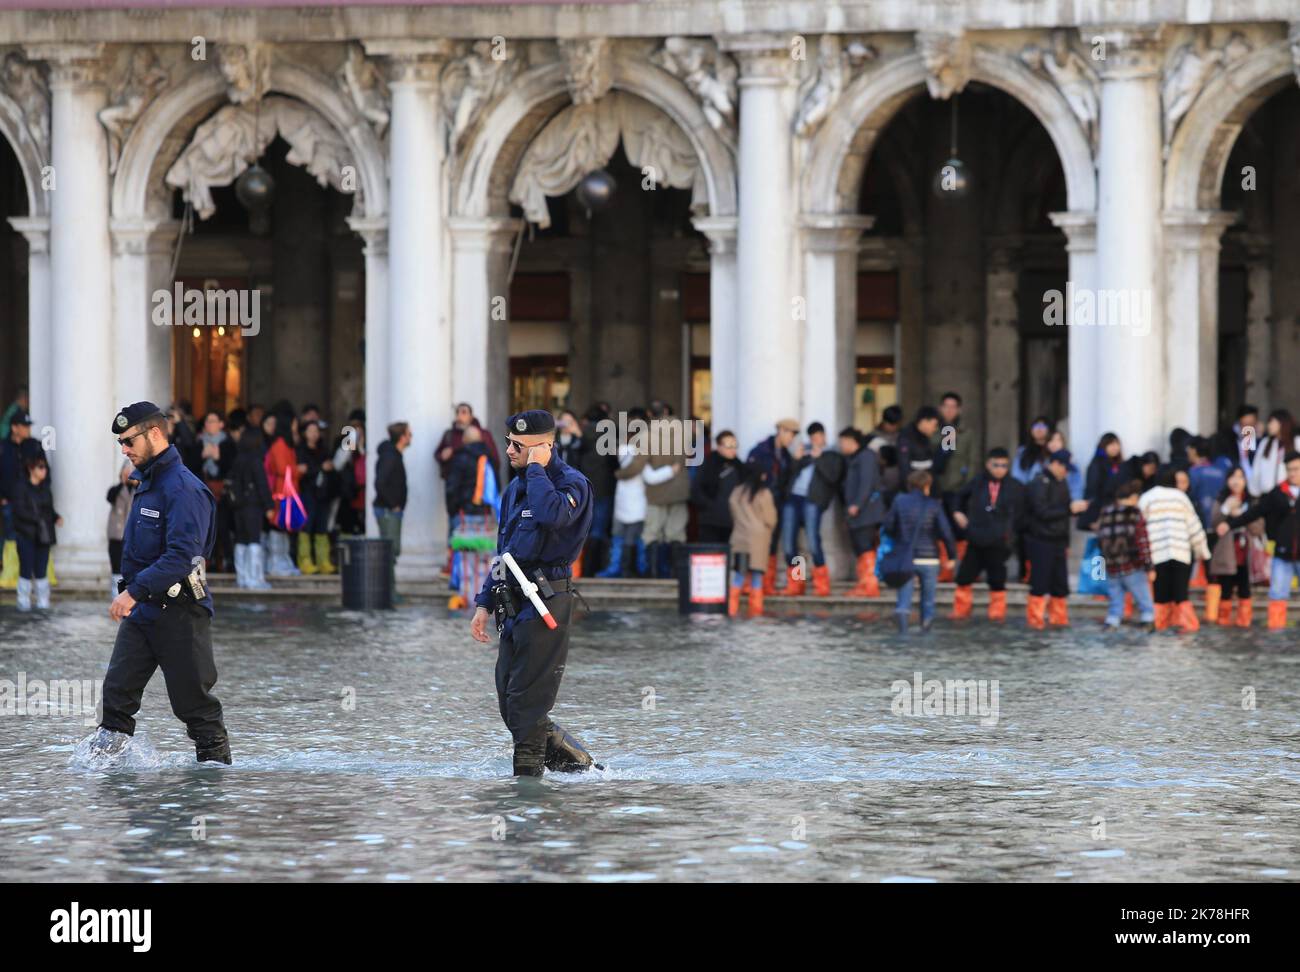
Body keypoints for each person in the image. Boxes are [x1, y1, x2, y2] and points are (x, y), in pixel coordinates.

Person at [92, 402, 229, 764]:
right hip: (143, 613)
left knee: (195, 708)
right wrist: (133, 593)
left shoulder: (184, 489)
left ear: (155, 434)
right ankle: (104, 781)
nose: (124, 449)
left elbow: (182, 557)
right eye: (120, 443)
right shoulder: (146, 483)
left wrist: (132, 593)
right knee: (116, 698)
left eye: (129, 440)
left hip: (181, 614)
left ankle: (213, 788)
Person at [468, 409, 599, 777]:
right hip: (513, 603)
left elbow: (552, 515)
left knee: (528, 705)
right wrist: (483, 603)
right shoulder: (515, 488)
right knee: (510, 702)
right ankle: (581, 769)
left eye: (518, 445)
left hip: (547, 601)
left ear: (544, 447)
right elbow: (504, 552)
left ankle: (527, 792)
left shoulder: (572, 484)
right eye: (509, 442)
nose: (508, 450)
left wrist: (538, 469)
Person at [1220, 451, 1300, 630]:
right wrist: (1231, 524)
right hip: (1282, 553)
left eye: (1296, 469)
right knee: (1277, 594)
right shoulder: (1278, 493)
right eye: (1289, 470)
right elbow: (1255, 512)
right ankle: (1276, 631)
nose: (1293, 473)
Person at [951, 447, 1024, 622]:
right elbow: (957, 497)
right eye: (996, 465)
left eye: (1004, 465)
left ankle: (997, 615)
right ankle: (961, 612)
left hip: (999, 541)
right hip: (976, 538)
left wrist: (1011, 534)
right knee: (964, 577)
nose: (1000, 469)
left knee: (998, 580)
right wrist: (957, 513)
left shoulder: (1015, 486)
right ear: (988, 465)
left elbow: (1022, 514)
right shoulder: (977, 482)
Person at [1139, 466, 1212, 632]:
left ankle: (1160, 625)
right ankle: (1186, 626)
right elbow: (1194, 526)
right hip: (1181, 553)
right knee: (1181, 594)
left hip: (1157, 554)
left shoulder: (1147, 498)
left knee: (1160, 595)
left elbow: (1139, 528)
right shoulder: (1181, 498)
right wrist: (1203, 552)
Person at [881, 469, 955, 633]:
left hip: (906, 559)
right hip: (930, 560)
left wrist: (899, 538)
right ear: (927, 486)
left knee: (903, 602)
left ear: (910, 485)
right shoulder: (934, 504)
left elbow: (888, 525)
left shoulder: (899, 501)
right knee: (928, 601)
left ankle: (903, 634)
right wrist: (952, 556)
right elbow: (946, 532)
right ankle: (926, 632)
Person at [1023, 448, 1090, 629]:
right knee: (1039, 583)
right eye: (1062, 466)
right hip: (1041, 540)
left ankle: (1058, 620)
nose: (1065, 471)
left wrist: (1066, 542)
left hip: (1059, 541)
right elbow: (1042, 512)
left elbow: (1064, 518)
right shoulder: (1039, 483)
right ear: (1053, 464)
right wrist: (1069, 509)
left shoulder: (1062, 483)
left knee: (1060, 585)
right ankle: (1035, 620)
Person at [781, 422, 842, 596]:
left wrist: (819, 458)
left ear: (824, 437)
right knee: (789, 544)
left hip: (813, 501)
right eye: (812, 438)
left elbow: (832, 477)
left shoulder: (832, 455)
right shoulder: (805, 453)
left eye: (817, 437)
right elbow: (789, 475)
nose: (814, 441)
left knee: (813, 542)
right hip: (793, 499)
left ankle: (822, 585)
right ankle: (796, 582)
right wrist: (797, 459)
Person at [747, 418, 799, 594]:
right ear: (781, 431)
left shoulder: (787, 455)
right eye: (791, 435)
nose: (791, 440)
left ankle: (790, 583)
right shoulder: (763, 450)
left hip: (785, 505)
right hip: (768, 504)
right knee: (763, 543)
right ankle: (758, 584)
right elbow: (751, 474)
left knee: (785, 545)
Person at [1207, 466, 1264, 626]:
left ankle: (1244, 621)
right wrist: (1226, 509)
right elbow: (1214, 523)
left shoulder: (1251, 502)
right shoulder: (1221, 500)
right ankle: (1223, 620)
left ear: (1245, 480)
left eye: (1240, 477)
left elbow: (1259, 527)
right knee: (1225, 588)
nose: (1236, 481)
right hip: (1227, 551)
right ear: (1227, 481)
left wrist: (1243, 516)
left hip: (1246, 551)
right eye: (1233, 477)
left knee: (1245, 588)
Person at [1095, 480, 1156, 629]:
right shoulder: (1134, 514)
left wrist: (1100, 569)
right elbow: (1142, 541)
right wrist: (1149, 566)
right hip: (1132, 565)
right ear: (1134, 497)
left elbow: (1099, 541)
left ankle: (1111, 624)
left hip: (1111, 566)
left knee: (1115, 603)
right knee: (1145, 603)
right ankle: (1147, 624)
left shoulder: (1105, 512)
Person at [727, 459, 778, 618]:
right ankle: (755, 612)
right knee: (757, 576)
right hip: (759, 539)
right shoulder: (764, 493)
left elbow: (732, 512)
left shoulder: (737, 492)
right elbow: (771, 518)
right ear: (762, 476)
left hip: (740, 538)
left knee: (739, 576)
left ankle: (731, 609)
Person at [840, 427, 886, 597]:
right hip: (860, 511)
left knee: (864, 545)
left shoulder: (865, 457)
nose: (841, 445)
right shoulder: (855, 458)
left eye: (843, 442)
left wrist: (856, 504)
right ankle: (865, 584)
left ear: (853, 442)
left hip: (866, 511)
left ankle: (869, 585)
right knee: (861, 547)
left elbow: (866, 483)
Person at [11, 456, 60, 611]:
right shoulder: (21, 488)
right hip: (26, 535)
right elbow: (19, 511)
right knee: (25, 569)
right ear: (31, 469)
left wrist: (56, 517)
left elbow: (49, 510)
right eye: (40, 467)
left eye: (45, 467)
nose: (44, 470)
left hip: (43, 536)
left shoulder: (45, 489)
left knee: (41, 570)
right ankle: (23, 602)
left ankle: (42, 602)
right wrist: (38, 518)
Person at [228, 427, 274, 590]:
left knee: (241, 541)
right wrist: (269, 505)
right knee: (254, 541)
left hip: (238, 506)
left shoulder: (238, 459)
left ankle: (243, 577)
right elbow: (262, 485)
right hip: (253, 506)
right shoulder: (256, 460)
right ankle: (255, 579)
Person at [295, 418, 337, 575]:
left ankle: (323, 560)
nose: (313, 434)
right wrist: (320, 467)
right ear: (305, 433)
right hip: (307, 493)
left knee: (322, 527)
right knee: (306, 526)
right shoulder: (300, 450)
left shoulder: (323, 450)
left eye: (316, 431)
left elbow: (329, 468)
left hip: (323, 493)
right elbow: (302, 470)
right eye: (310, 431)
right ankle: (304, 560)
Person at [374, 422, 411, 601]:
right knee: (390, 550)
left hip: (392, 510)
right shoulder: (390, 456)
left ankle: (389, 591)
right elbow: (380, 483)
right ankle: (389, 592)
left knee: (392, 550)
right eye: (409, 433)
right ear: (402, 436)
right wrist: (392, 504)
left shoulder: (394, 455)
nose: (411, 436)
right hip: (388, 511)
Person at [262, 410, 301, 576]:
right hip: (281, 491)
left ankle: (283, 561)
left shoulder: (286, 444)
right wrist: (298, 470)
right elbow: (281, 469)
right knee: (278, 526)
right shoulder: (280, 444)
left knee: (284, 527)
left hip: (287, 490)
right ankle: (275, 563)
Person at [197, 410, 235, 573]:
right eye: (207, 421)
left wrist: (219, 457)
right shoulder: (199, 442)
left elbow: (233, 466)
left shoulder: (228, 443)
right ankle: (208, 561)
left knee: (223, 526)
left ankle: (227, 560)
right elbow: (190, 465)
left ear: (221, 424)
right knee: (205, 527)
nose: (210, 425)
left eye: (213, 421)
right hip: (204, 491)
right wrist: (202, 456)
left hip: (223, 492)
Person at [690, 429, 743, 544]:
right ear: (719, 446)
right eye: (728, 445)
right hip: (711, 522)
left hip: (733, 522)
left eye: (735, 445)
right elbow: (696, 490)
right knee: (710, 555)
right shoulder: (709, 464)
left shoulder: (739, 466)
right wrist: (710, 506)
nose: (733, 449)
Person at [1079, 432, 1126, 531]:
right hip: (1100, 513)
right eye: (1111, 444)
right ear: (1104, 446)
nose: (1115, 447)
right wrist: (1096, 517)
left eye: (1117, 444)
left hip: (1115, 512)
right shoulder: (1097, 465)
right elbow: (1093, 491)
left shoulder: (1119, 465)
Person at [1248, 409, 1299, 498]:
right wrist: (1254, 492)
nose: (1269, 426)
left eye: (1271, 422)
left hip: (1290, 495)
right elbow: (1256, 469)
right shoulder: (1266, 443)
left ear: (1281, 423)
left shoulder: (1296, 442)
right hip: (1266, 495)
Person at [106, 459, 137, 600]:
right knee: (116, 568)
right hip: (117, 536)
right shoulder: (116, 489)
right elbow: (110, 497)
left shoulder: (138, 490)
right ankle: (115, 596)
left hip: (133, 537)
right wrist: (123, 481)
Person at [896, 406, 941, 485]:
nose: (935, 429)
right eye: (934, 425)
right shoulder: (906, 438)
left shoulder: (926, 437)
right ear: (924, 421)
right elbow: (904, 469)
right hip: (915, 489)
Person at [1213, 404, 1259, 478]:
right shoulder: (1226, 438)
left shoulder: (1259, 439)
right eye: (1245, 425)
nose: (1248, 428)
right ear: (1239, 422)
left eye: (1251, 425)